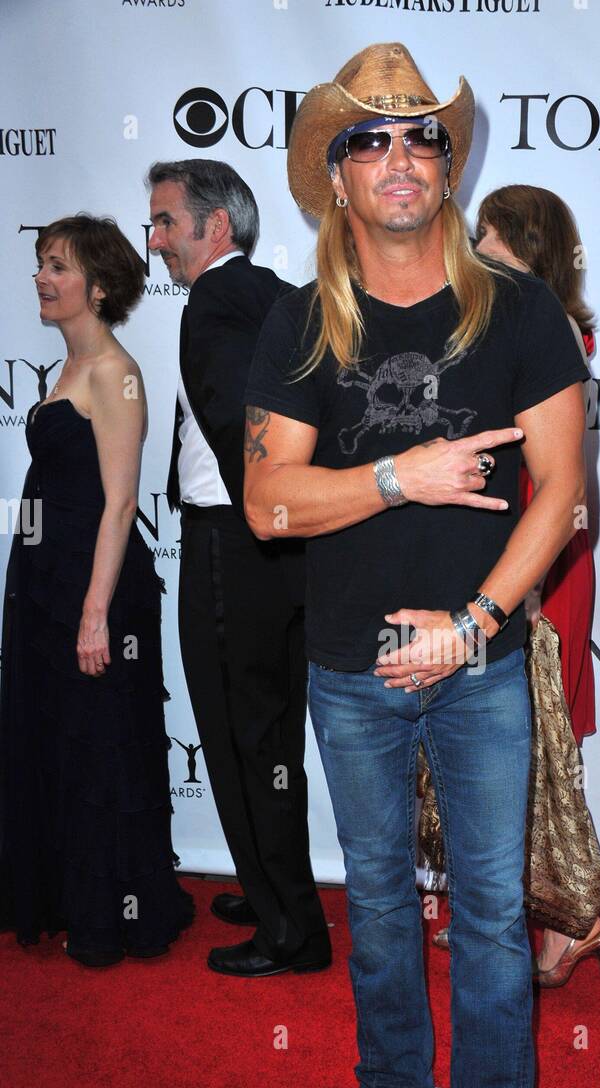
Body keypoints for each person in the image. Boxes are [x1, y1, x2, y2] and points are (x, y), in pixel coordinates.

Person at [243, 43, 590, 1088]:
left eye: (421, 137)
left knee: (493, 918)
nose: (401, 157)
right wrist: (399, 477)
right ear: (335, 175)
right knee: (382, 905)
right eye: (371, 139)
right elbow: (268, 504)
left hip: (481, 661)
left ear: (450, 165)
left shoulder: (522, 309)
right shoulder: (303, 320)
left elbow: (562, 492)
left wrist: (475, 623)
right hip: (348, 668)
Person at [146, 160, 331, 979]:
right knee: (269, 734)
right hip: (275, 551)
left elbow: (232, 423)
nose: (154, 241)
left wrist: (259, 526)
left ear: (214, 226)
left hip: (234, 542)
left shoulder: (215, 301)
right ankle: (273, 895)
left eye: (164, 222)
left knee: (239, 735)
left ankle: (290, 929)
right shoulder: (275, 295)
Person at [0, 215, 195, 967]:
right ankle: (55, 891)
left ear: (99, 286)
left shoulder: (115, 370)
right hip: (49, 581)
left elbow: (120, 504)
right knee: (56, 735)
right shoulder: (67, 369)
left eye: (59, 267)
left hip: (97, 586)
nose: (43, 279)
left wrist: (92, 613)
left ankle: (112, 909)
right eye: (42, 264)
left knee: (99, 745)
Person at [474, 184, 600, 985]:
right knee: (513, 745)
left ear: (523, 243)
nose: (475, 247)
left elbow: (557, 479)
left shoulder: (544, 326)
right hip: (532, 545)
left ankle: (573, 925)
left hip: (544, 554)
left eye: (486, 233)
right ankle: (520, 914)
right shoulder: (528, 321)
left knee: (540, 743)